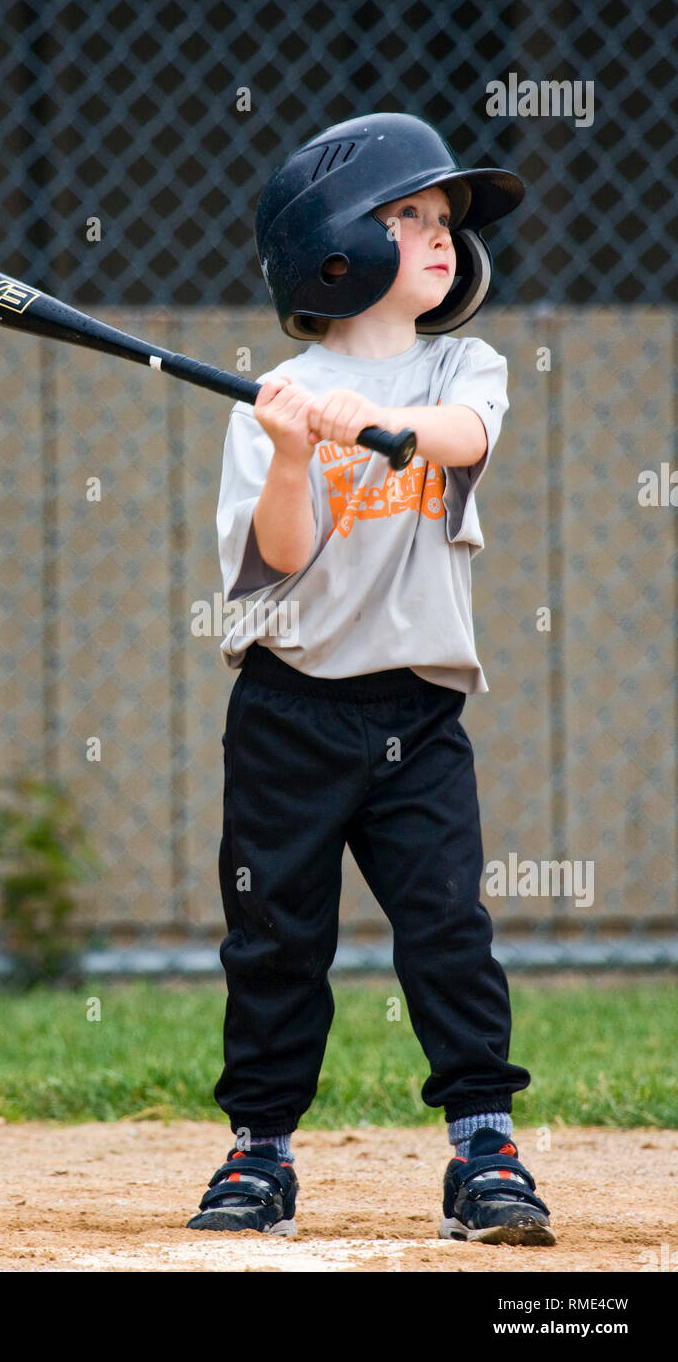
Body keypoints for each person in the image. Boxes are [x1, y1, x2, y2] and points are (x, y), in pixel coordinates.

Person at [187, 113, 554, 1246]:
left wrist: (377, 420)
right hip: (288, 712)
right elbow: (283, 558)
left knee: (445, 924)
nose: (438, 236)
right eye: (407, 216)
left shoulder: (460, 366)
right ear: (334, 247)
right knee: (273, 939)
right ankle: (258, 1151)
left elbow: (454, 434)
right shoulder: (275, 406)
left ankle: (483, 1146)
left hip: (415, 711)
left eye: (442, 221)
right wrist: (299, 448)